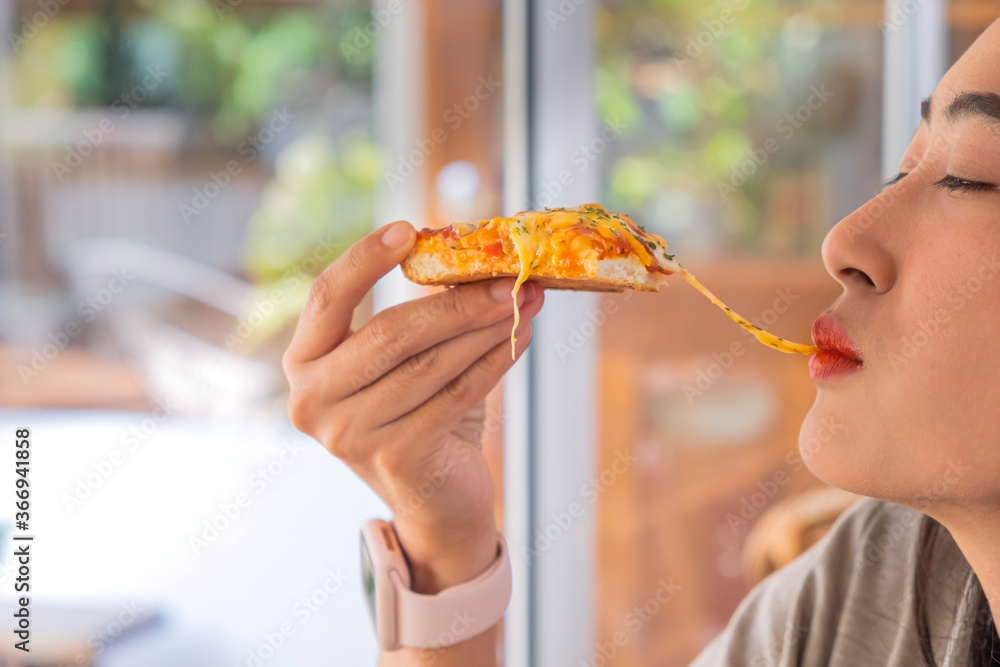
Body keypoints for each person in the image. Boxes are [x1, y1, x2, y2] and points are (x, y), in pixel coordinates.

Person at [282, 17, 1000, 667]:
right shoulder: (872, 587)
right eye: (902, 169)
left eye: (970, 174)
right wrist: (443, 542)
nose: (842, 240)